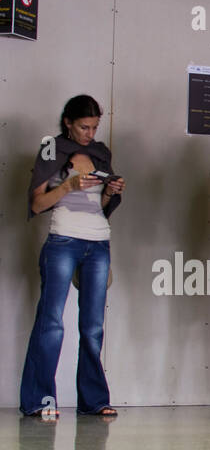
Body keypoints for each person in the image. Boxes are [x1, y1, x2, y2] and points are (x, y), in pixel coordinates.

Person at [22, 95, 126, 419]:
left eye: (95, 127)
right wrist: (69, 186)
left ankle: (93, 401)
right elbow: (37, 203)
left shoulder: (101, 152)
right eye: (84, 126)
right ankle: (39, 400)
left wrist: (110, 192)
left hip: (98, 242)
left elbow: (102, 209)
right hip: (63, 239)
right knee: (51, 322)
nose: (89, 133)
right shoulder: (52, 149)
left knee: (93, 327)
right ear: (68, 122)